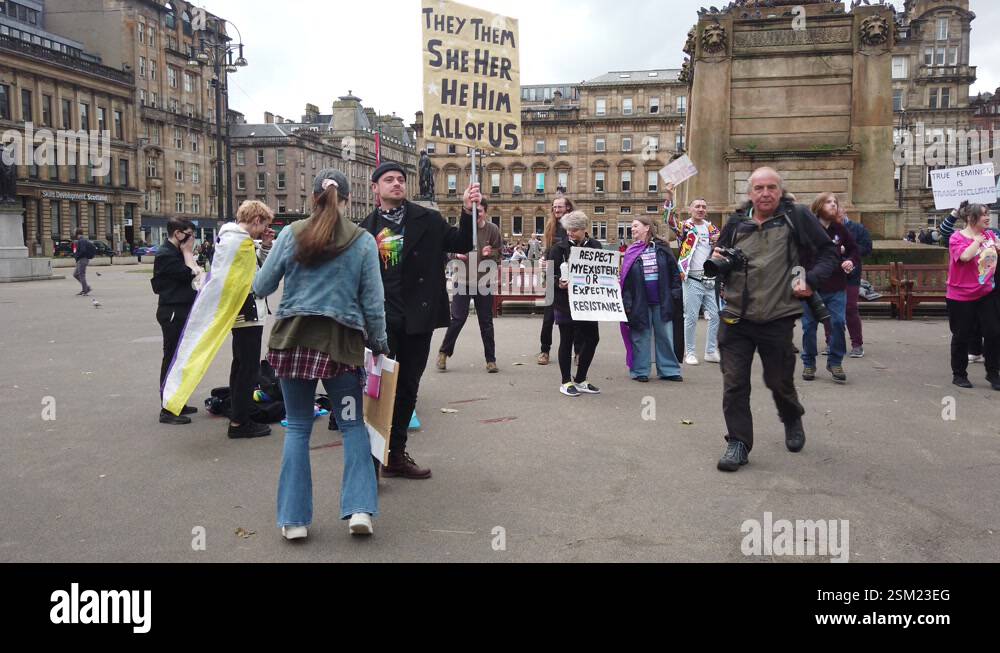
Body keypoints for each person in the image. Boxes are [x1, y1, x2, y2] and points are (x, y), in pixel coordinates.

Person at [254, 170, 388, 541]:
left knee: (297, 427)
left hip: (293, 343)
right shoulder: (362, 242)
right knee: (351, 425)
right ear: (345, 200)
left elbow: (262, 286)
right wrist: (379, 343)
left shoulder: (290, 234)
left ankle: (294, 520)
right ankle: (360, 509)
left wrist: (266, 254)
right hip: (340, 348)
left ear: (312, 198)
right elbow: (374, 304)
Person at [713, 167, 839, 472]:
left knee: (778, 380)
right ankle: (738, 443)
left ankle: (791, 415)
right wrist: (720, 261)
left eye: (771, 187)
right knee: (734, 383)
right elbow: (723, 256)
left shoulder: (795, 217)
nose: (765, 193)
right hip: (735, 317)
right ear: (750, 193)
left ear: (780, 191)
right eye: (759, 188)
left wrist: (811, 279)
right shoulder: (736, 221)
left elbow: (829, 253)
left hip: (777, 315)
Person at [360, 162, 474, 479]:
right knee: (378, 391)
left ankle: (395, 455)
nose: (397, 184)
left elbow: (463, 242)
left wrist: (467, 210)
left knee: (409, 386)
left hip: (416, 317)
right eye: (389, 180)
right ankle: (371, 460)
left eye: (400, 180)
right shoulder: (364, 229)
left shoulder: (429, 220)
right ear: (375, 188)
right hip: (379, 318)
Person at [219, 200, 275, 439]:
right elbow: (260, 276)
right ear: (256, 221)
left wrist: (264, 245)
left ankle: (239, 412)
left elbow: (256, 266)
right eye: (263, 226)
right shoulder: (240, 243)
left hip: (239, 310)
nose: (263, 230)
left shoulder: (233, 239)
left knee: (240, 364)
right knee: (248, 368)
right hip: (247, 310)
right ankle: (240, 422)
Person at [437, 197, 502, 374]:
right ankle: (444, 352)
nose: (476, 215)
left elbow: (499, 254)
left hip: (484, 281)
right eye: (473, 212)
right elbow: (447, 252)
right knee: (457, 318)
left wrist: (491, 254)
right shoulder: (461, 229)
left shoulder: (493, 230)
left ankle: (491, 360)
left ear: (485, 212)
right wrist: (456, 255)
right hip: (462, 280)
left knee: (486, 321)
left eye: (479, 211)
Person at [800, 193, 859, 384]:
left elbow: (854, 250)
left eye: (835, 202)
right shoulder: (806, 230)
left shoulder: (840, 229)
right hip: (811, 287)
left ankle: (835, 362)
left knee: (837, 324)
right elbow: (795, 257)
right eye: (829, 202)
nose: (833, 205)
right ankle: (808, 362)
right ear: (818, 206)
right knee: (809, 327)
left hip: (836, 287)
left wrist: (850, 260)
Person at [620, 214, 683, 383]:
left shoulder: (662, 248)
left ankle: (669, 370)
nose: (632, 229)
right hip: (639, 300)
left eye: (635, 226)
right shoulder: (630, 251)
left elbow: (674, 272)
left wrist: (675, 292)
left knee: (665, 335)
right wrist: (626, 301)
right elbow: (625, 279)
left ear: (647, 228)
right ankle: (640, 370)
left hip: (662, 299)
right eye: (632, 226)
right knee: (640, 335)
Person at [151, 219, 202, 425]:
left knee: (179, 358)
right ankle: (167, 409)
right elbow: (192, 273)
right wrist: (189, 254)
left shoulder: (173, 253)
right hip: (172, 310)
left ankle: (176, 400)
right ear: (179, 234)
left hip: (179, 308)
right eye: (190, 234)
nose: (193, 239)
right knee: (172, 358)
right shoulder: (167, 255)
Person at [548, 211, 603, 397]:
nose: (570, 233)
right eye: (568, 229)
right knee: (567, 340)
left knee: (592, 338)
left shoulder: (596, 246)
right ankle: (565, 381)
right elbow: (548, 277)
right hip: (565, 302)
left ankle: (580, 379)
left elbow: (603, 273)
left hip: (588, 302)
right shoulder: (557, 249)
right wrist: (558, 282)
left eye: (574, 229)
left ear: (584, 229)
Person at [946, 202, 999, 390]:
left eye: (988, 214)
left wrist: (996, 247)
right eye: (984, 214)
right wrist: (978, 240)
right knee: (962, 335)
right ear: (970, 218)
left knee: (993, 333)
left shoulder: (991, 235)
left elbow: (992, 257)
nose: (987, 217)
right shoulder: (956, 238)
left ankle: (993, 373)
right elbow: (965, 257)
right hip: (960, 296)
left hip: (986, 292)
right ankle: (959, 374)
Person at [675, 198, 722, 366]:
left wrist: (719, 243)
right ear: (690, 209)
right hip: (691, 278)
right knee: (691, 317)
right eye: (697, 206)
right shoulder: (685, 226)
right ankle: (690, 352)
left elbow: (719, 249)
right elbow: (669, 220)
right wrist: (669, 194)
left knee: (716, 315)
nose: (701, 209)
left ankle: (710, 351)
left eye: (703, 206)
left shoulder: (712, 228)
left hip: (709, 278)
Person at [538, 197, 573, 365]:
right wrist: (543, 259)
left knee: (575, 316)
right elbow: (547, 248)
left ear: (567, 208)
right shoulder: (550, 225)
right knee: (548, 317)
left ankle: (578, 351)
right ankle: (544, 350)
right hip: (553, 274)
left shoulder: (573, 224)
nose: (556, 209)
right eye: (554, 207)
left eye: (560, 206)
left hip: (572, 275)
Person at [839, 209, 872, 358]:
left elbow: (867, 248)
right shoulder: (825, 228)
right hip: (830, 274)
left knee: (850, 308)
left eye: (836, 209)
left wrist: (847, 249)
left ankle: (857, 344)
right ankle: (831, 342)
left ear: (843, 211)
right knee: (830, 310)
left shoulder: (858, 228)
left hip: (851, 275)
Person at [72, 229, 96, 296]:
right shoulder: (81, 240)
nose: (73, 233)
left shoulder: (82, 240)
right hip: (81, 259)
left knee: (81, 275)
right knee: (75, 274)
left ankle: (85, 290)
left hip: (82, 259)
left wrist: (77, 256)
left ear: (77, 233)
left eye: (74, 232)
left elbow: (83, 250)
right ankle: (86, 287)